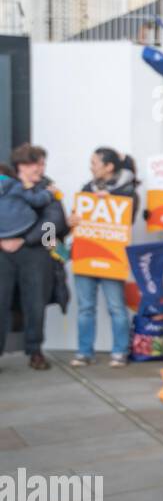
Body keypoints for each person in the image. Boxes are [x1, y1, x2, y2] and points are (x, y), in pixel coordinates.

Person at [68, 147, 139, 367]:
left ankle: (119, 352)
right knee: (85, 308)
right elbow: (75, 216)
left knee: (116, 307)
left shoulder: (128, 191)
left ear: (109, 167)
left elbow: (127, 219)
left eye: (94, 162)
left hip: (111, 259)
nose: (91, 167)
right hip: (86, 255)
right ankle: (84, 352)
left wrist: (110, 200)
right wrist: (72, 219)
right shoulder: (86, 189)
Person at [0, 144, 69, 370]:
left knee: (35, 303)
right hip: (2, 251)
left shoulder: (48, 188)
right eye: (36, 163)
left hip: (36, 253)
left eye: (42, 163)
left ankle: (35, 351)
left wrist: (25, 240)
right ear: (22, 165)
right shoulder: (5, 184)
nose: (41, 168)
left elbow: (54, 223)